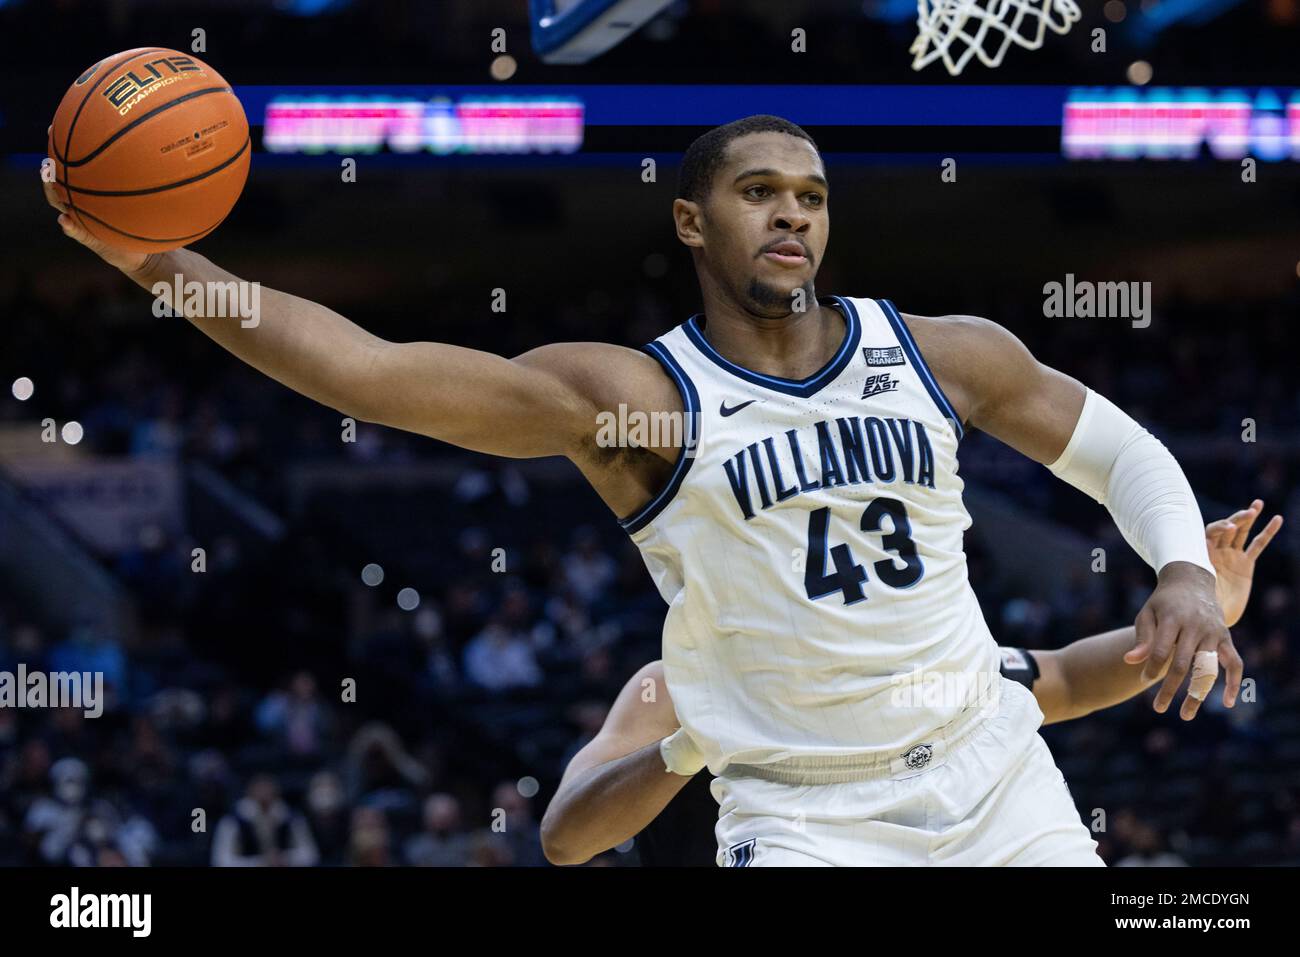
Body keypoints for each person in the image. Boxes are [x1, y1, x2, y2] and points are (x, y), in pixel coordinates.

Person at [46, 113, 1237, 866]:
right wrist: (163, 265)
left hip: (997, 774)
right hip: (805, 817)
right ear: (690, 220)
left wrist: (1183, 574)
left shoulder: (944, 353)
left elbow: (1121, 453)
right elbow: (372, 373)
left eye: (811, 195)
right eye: (758, 190)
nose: (791, 211)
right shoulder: (640, 399)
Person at [540, 503, 1282, 865]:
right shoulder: (670, 688)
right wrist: (689, 744)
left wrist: (1196, 617)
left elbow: (1057, 674)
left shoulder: (909, 658)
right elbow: (565, 836)